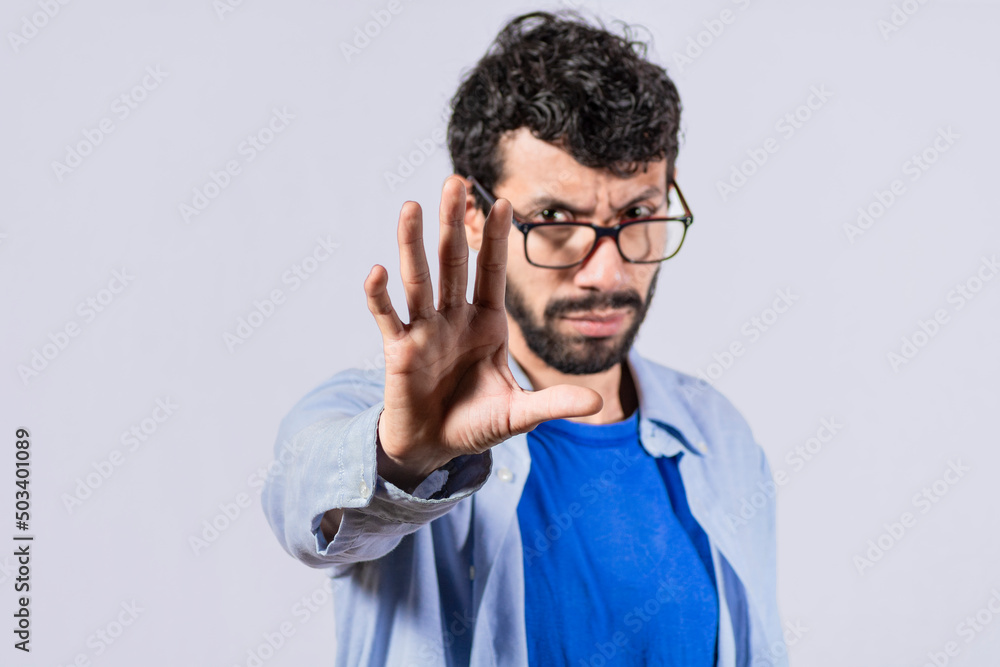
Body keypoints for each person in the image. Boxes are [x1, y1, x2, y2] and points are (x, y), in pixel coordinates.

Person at [262, 10, 786, 667]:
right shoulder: (393, 418)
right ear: (478, 218)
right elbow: (305, 498)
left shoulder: (719, 435)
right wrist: (401, 458)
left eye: (637, 213)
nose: (607, 271)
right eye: (555, 219)